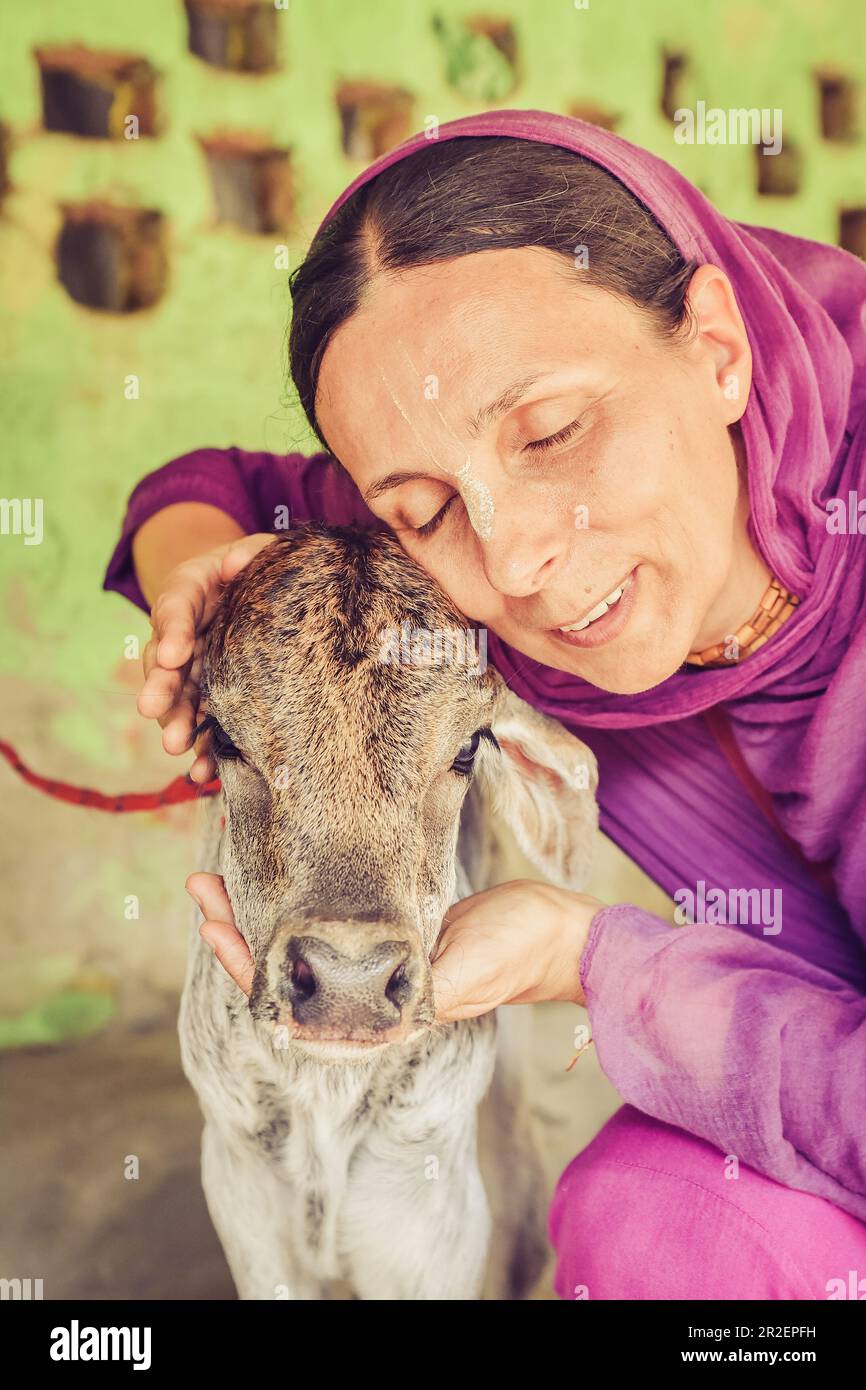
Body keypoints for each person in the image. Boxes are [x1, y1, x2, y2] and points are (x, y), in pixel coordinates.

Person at [104, 109, 866, 1300]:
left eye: (551, 433)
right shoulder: (491, 550)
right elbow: (212, 489)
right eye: (416, 511)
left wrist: (585, 958)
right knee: (663, 1220)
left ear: (716, 346)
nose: (510, 567)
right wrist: (195, 596)